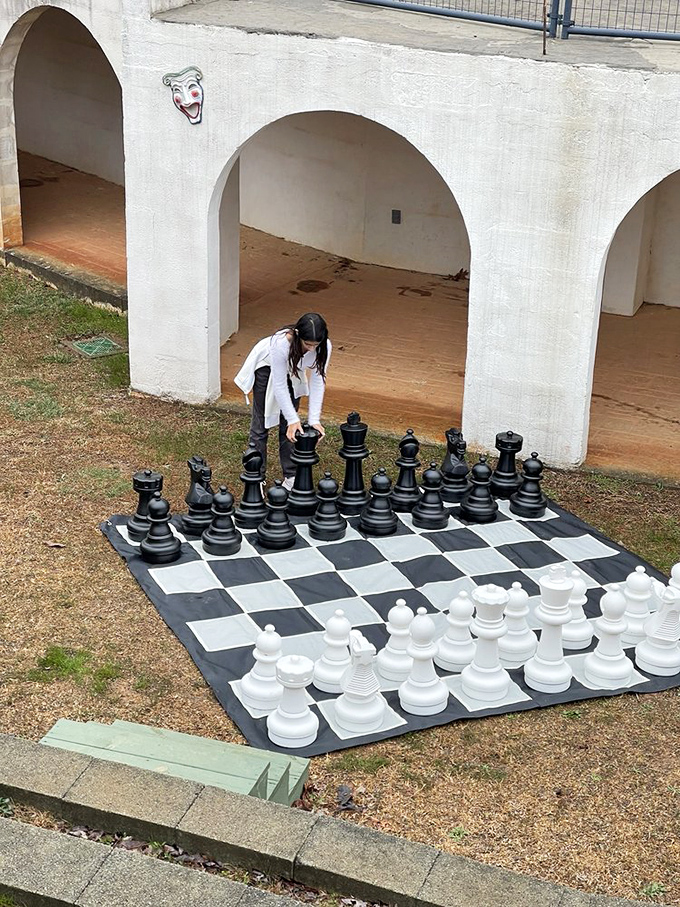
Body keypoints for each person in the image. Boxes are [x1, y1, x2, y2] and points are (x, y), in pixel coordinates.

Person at [234, 313, 331, 489]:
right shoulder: (280, 343)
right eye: (307, 344)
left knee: (291, 427)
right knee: (261, 424)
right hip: (266, 367)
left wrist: (314, 420)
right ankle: (256, 476)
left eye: (315, 345)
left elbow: (318, 382)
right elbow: (279, 385)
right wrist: (293, 419)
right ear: (298, 335)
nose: (311, 349)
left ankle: (291, 475)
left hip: (293, 371)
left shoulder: (325, 346)